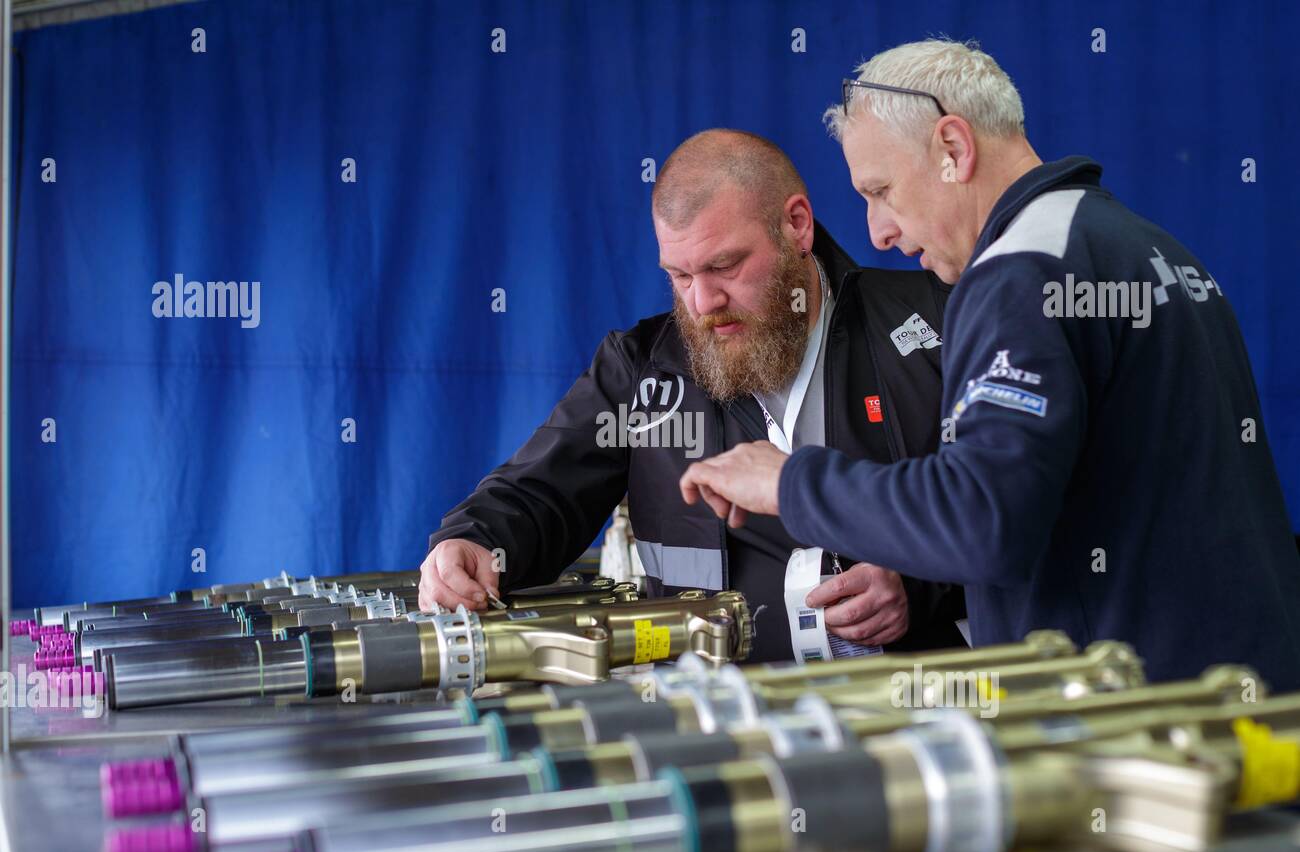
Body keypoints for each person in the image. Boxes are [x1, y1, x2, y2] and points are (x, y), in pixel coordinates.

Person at [678, 41, 1300, 688]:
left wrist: (788, 483)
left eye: (881, 190)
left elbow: (983, 520)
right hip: (1243, 708)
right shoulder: (1154, 250)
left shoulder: (1020, 272)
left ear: (953, 148)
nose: (877, 232)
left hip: (1142, 728)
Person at [421, 129, 965, 663]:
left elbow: (1019, 506)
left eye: (724, 266)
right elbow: (540, 492)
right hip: (713, 729)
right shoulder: (639, 370)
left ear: (796, 224)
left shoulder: (936, 326)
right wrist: (472, 540)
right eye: (679, 275)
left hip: (915, 721)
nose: (703, 302)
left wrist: (922, 586)